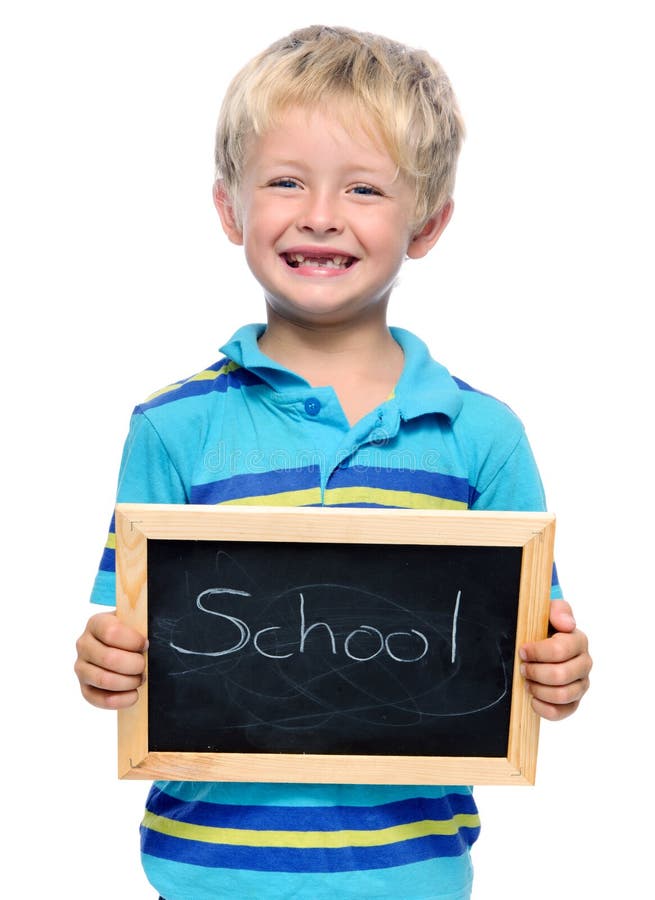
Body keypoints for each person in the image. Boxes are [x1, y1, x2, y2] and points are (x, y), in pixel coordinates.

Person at [74, 24, 591, 900]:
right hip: (210, 873)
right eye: (285, 181)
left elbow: (527, 650)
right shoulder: (173, 428)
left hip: (411, 874)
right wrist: (102, 664)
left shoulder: (481, 436)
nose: (320, 214)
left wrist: (561, 673)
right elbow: (121, 640)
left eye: (363, 188)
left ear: (425, 224)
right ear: (229, 208)